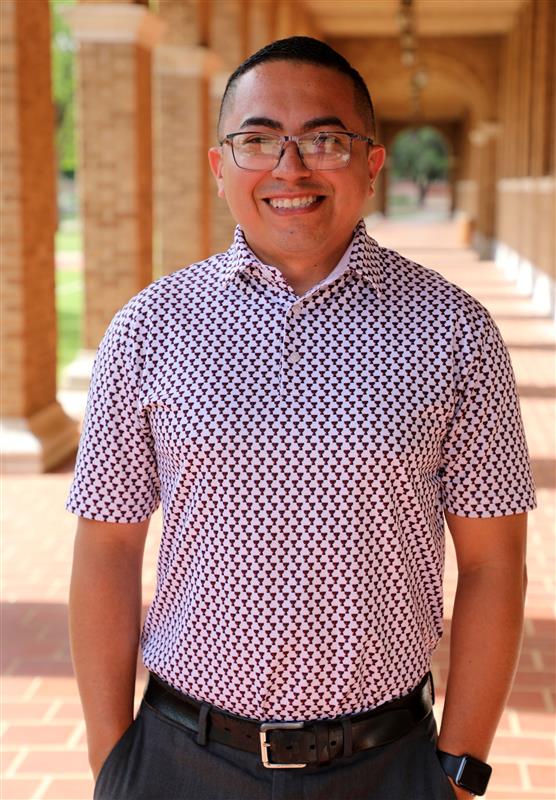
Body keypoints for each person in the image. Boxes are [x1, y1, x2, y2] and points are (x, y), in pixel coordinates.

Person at [67, 36, 536, 800]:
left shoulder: (457, 333)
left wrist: (459, 770)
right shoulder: (149, 328)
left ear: (373, 164)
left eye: (324, 138)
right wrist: (113, 763)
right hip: (181, 758)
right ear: (221, 168)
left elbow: (493, 564)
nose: (290, 168)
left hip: (388, 766)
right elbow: (108, 548)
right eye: (257, 141)